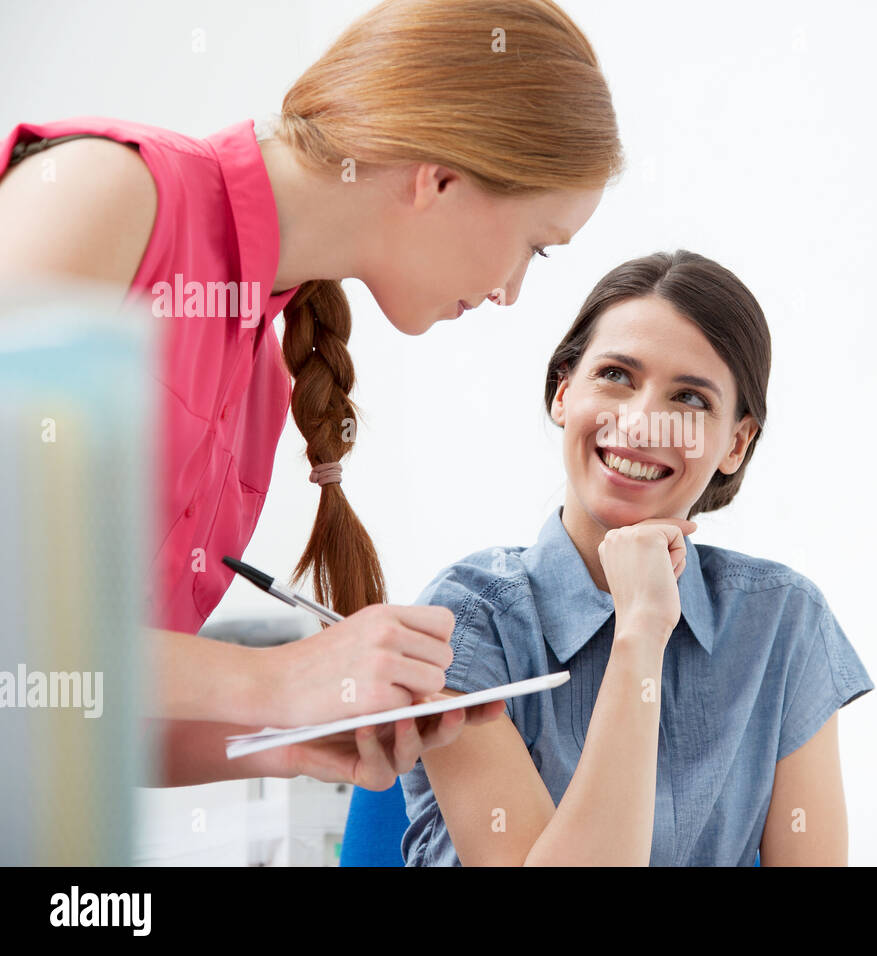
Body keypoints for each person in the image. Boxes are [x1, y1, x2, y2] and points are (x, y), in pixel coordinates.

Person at [0, 0, 623, 789]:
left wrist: (287, 738)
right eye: (534, 245)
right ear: (440, 178)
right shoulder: (102, 192)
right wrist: (274, 679)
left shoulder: (263, 375)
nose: (511, 292)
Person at [399, 250, 875, 865]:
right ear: (564, 393)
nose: (644, 422)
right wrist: (641, 631)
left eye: (691, 400)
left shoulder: (783, 622)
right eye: (617, 376)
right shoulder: (467, 622)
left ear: (736, 442)